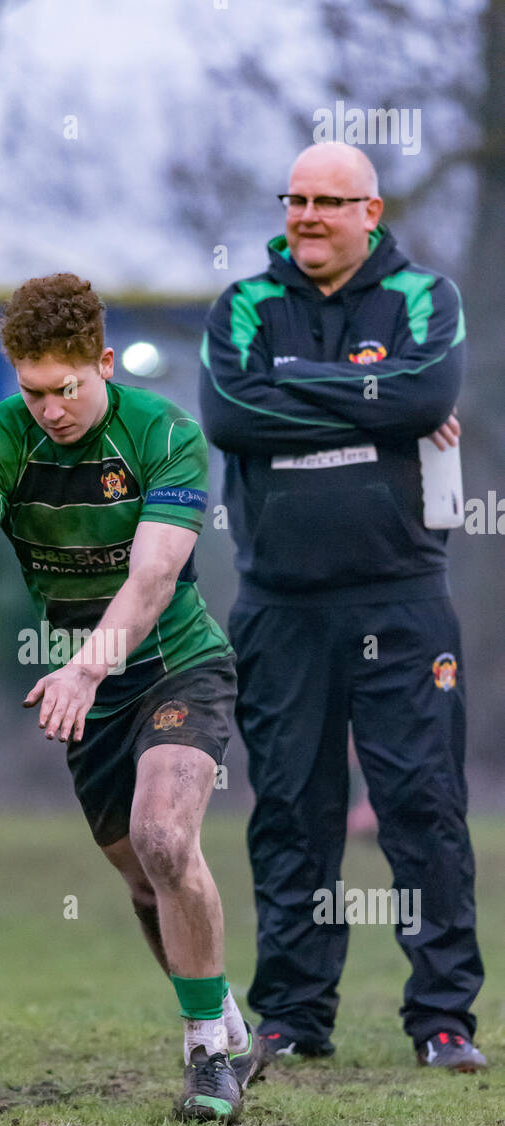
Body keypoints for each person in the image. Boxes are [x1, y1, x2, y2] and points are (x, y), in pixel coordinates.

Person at [0, 272, 264, 1122]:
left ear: (103, 363)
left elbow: (155, 574)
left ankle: (204, 1059)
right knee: (145, 880)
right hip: (83, 695)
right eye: (32, 390)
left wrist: (85, 667)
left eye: (65, 388)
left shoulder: (163, 432)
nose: (48, 408)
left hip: (174, 662)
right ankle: (226, 1021)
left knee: (165, 836)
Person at [199, 141, 485, 1071]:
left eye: (330, 201)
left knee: (423, 805)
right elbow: (230, 417)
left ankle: (443, 1021)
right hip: (281, 605)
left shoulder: (422, 299)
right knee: (290, 809)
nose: (309, 216)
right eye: (296, 199)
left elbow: (428, 393)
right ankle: (291, 1016)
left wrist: (297, 387)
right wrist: (375, 407)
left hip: (402, 599)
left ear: (372, 211)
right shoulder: (244, 305)